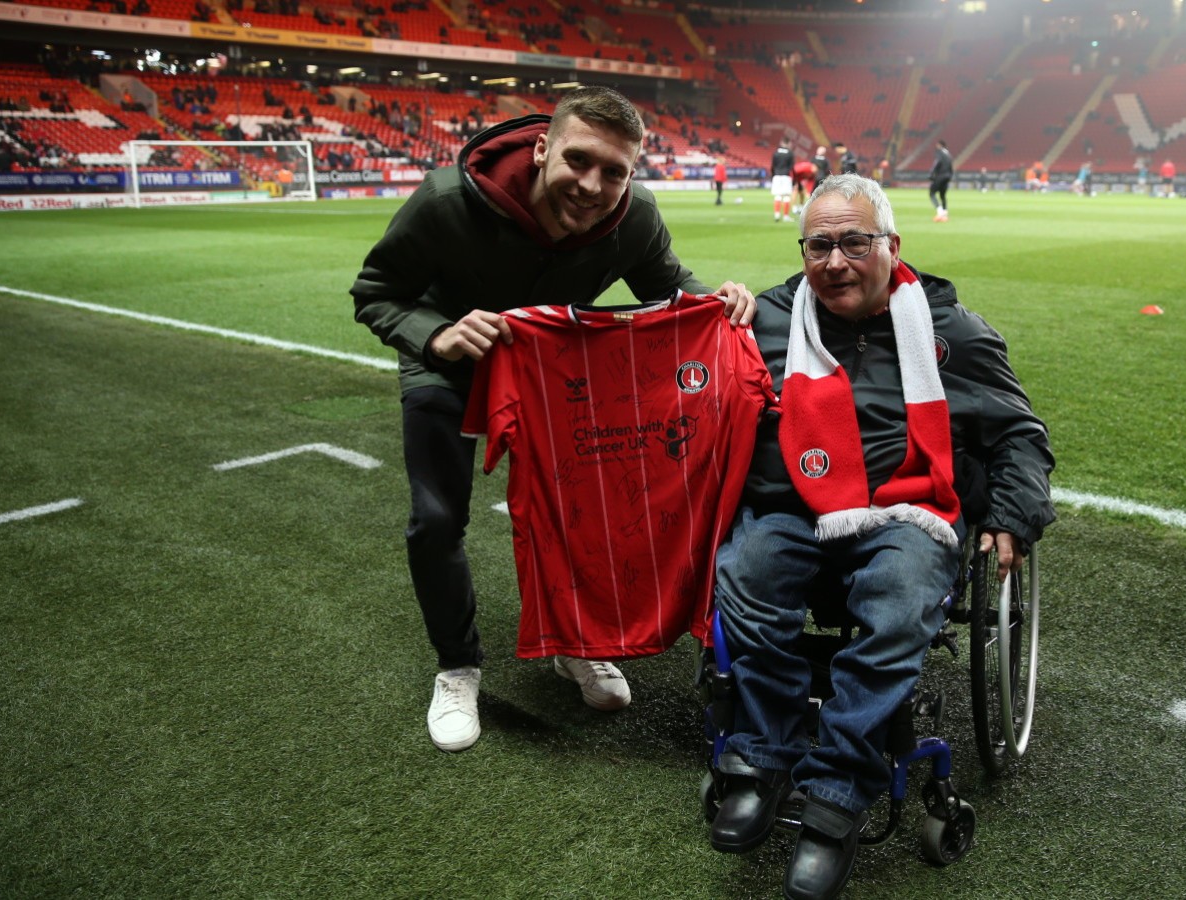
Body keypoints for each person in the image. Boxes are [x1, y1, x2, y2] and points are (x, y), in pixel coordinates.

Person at [350, 86, 755, 753]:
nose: (593, 185)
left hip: (556, 378)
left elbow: (672, 292)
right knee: (436, 519)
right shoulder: (447, 201)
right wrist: (437, 336)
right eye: (578, 160)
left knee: (582, 515)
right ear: (542, 148)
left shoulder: (635, 218)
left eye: (615, 171)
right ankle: (457, 669)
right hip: (452, 361)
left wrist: (719, 300)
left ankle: (578, 644)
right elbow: (378, 293)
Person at [705, 174, 1055, 900]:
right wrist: (717, 311)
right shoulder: (767, 320)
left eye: (854, 243)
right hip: (791, 506)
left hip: (909, 512)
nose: (835, 261)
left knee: (899, 600)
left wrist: (1014, 514)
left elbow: (1019, 434)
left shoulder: (953, 331)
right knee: (748, 573)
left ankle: (836, 795)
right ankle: (763, 757)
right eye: (819, 245)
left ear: (892, 246)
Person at [770, 136, 794, 222]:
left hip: (776, 176)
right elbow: (791, 167)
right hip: (786, 176)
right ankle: (786, 216)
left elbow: (773, 165)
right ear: (788, 143)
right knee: (786, 196)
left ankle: (776, 215)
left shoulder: (776, 152)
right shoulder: (790, 153)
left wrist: (773, 175)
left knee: (777, 196)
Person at [928, 139, 952, 222]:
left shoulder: (940, 153)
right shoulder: (948, 154)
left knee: (932, 193)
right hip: (947, 176)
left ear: (940, 145)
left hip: (940, 176)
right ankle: (945, 212)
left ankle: (940, 211)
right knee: (942, 195)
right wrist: (950, 176)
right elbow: (950, 167)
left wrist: (931, 173)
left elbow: (937, 162)